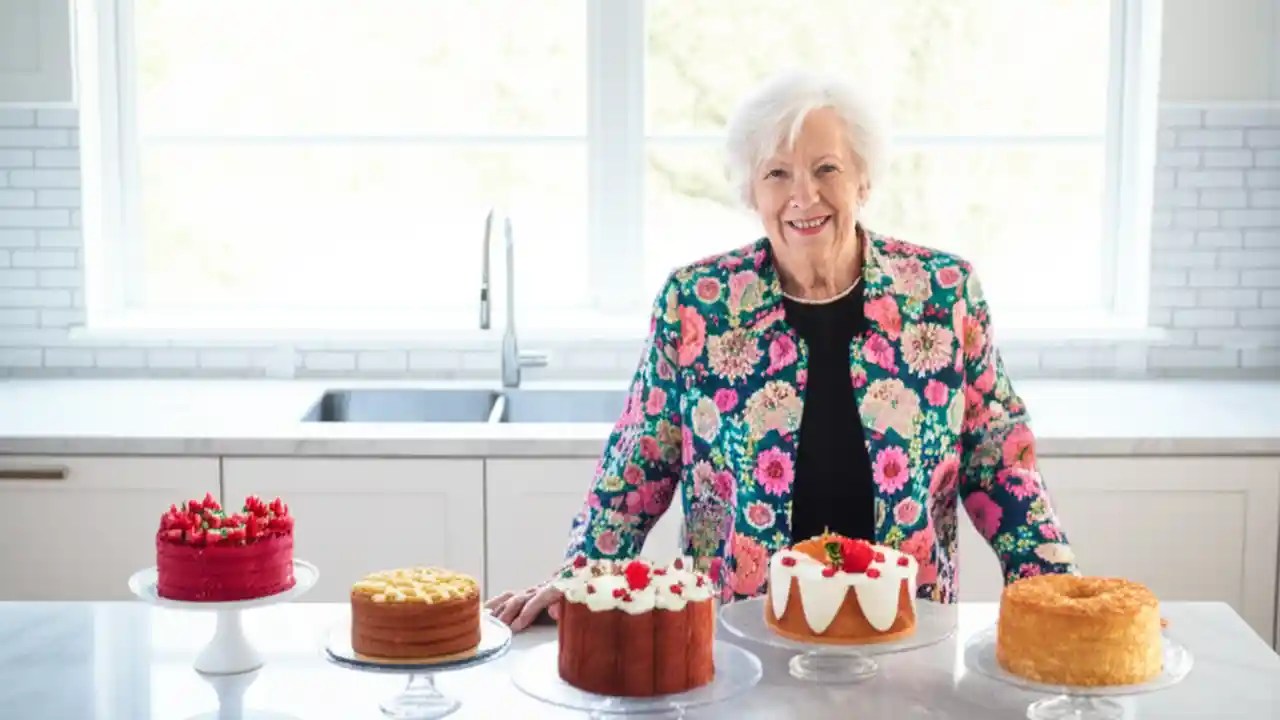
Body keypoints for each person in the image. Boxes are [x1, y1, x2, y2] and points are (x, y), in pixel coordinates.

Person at [486, 70, 1078, 632]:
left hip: (904, 634)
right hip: (738, 641)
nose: (804, 196)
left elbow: (1000, 462)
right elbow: (639, 464)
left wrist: (1054, 589)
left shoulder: (945, 294)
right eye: (776, 174)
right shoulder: (697, 305)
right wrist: (581, 575)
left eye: (827, 169)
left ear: (863, 180)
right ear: (751, 191)